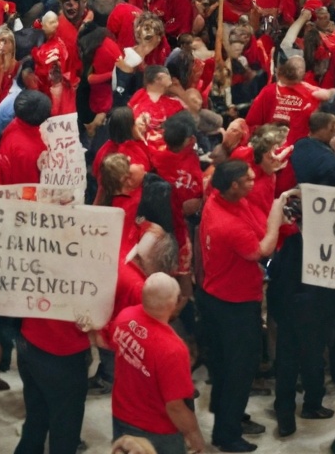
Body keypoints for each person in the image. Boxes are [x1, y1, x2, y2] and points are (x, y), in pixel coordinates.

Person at [197, 157, 288, 452]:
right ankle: (226, 434)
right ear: (234, 185)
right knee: (240, 369)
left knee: (225, 365)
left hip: (218, 295)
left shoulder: (219, 198)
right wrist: (276, 216)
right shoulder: (229, 225)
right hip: (233, 305)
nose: (254, 181)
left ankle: (229, 413)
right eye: (249, 179)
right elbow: (262, 250)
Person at [109, 272, 205, 454]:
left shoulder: (125, 317)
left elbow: (109, 343)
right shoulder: (172, 349)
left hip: (121, 416)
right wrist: (195, 436)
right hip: (157, 431)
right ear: (173, 303)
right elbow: (175, 407)